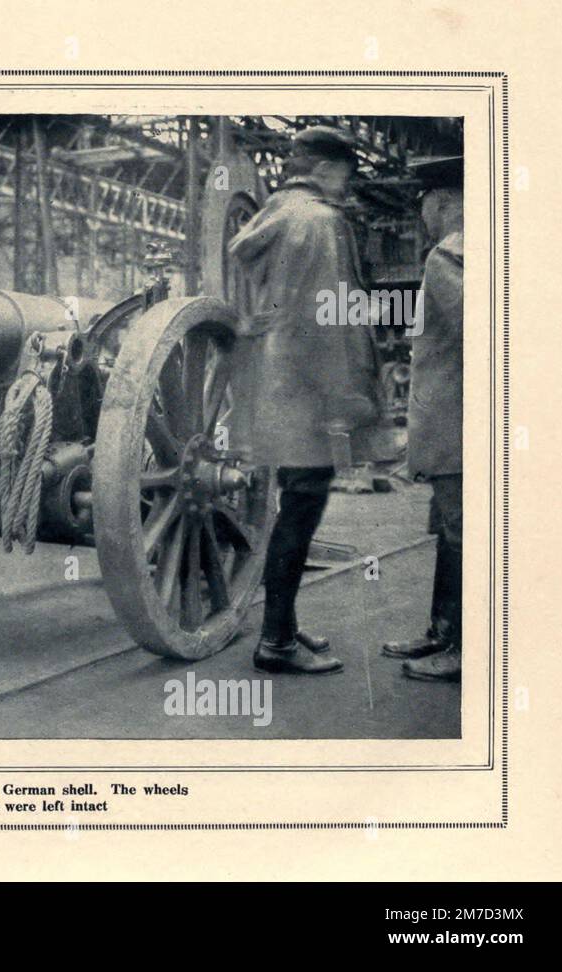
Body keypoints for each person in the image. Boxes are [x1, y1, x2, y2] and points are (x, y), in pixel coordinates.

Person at [227, 126, 382, 675]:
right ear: (325, 169)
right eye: (346, 172)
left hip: (272, 383)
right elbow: (330, 316)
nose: (349, 183)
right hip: (310, 390)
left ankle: (284, 624)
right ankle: (275, 643)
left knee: (289, 506)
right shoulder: (321, 221)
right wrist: (346, 398)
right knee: (301, 510)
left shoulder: (273, 213)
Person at [381, 156, 464, 682]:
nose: (424, 220)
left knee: (465, 533)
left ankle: (464, 649)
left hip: (461, 424)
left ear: (443, 203)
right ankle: (441, 631)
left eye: (426, 208)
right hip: (468, 422)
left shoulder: (448, 256)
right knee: (448, 527)